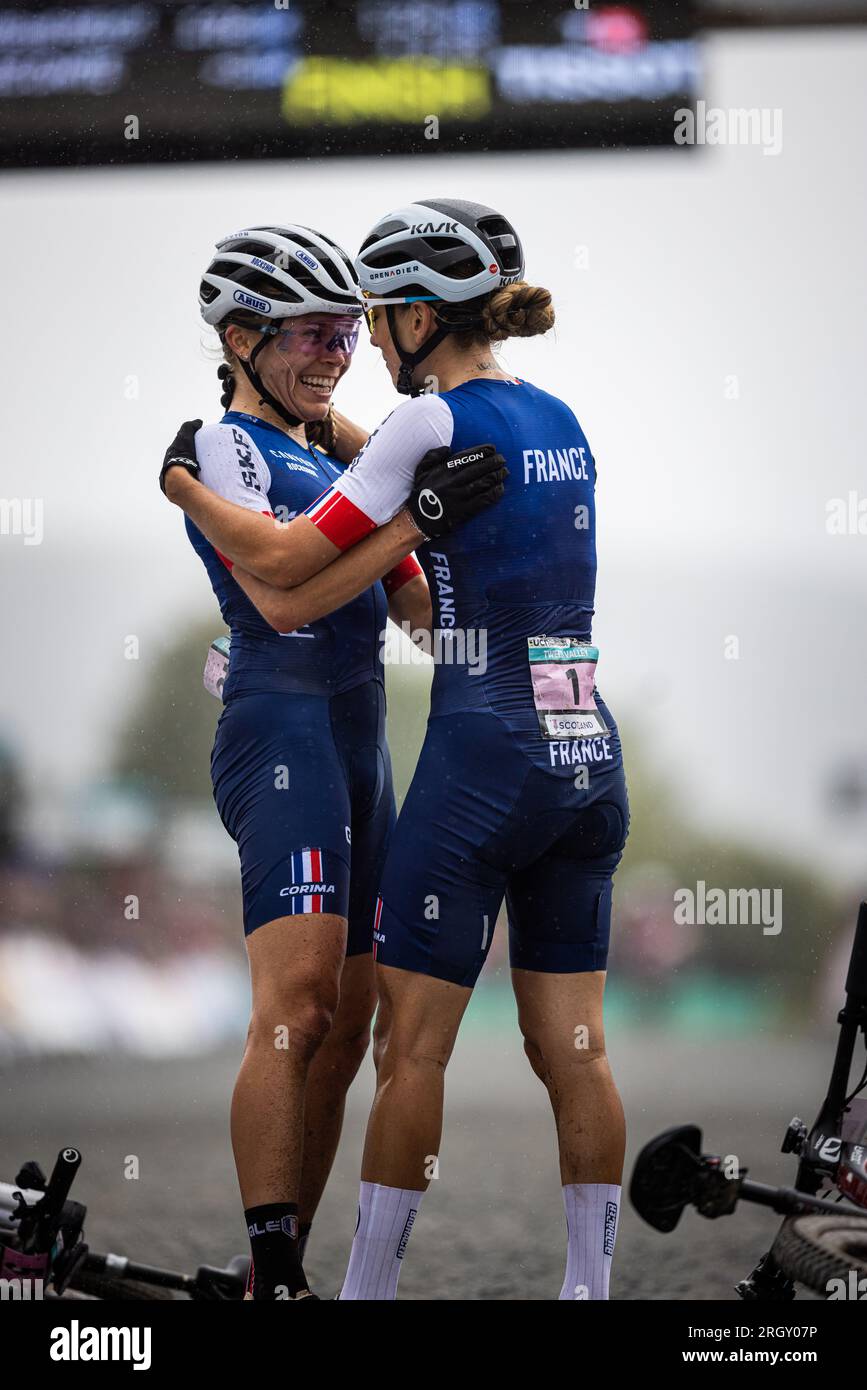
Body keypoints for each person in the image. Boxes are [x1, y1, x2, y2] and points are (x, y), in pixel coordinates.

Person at [163, 198, 628, 1302]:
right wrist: (188, 479)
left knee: (379, 1029)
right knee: (324, 1010)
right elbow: (297, 586)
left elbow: (380, 586)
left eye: (357, 322)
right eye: (316, 330)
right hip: (497, 737)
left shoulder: (386, 433)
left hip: (427, 746)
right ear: (241, 341)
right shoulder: (233, 443)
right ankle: (289, 1264)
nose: (348, 346)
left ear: (419, 315)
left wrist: (407, 518)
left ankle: (330, 1274)